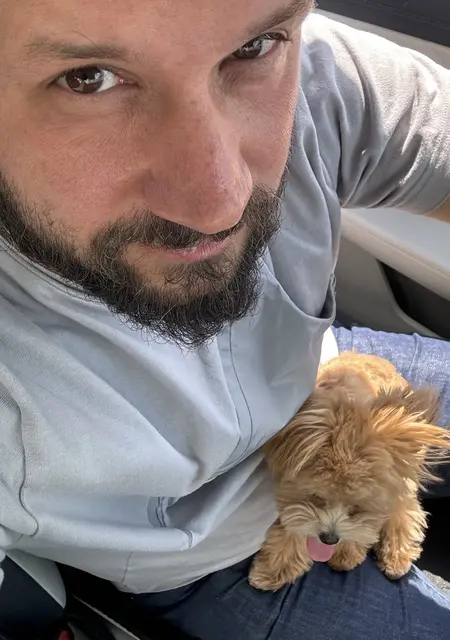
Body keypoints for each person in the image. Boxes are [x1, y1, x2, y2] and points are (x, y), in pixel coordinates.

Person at [0, 0, 450, 637]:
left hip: (333, 380)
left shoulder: (303, 64)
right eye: (87, 79)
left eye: (252, 49)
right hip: (212, 559)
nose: (220, 204)